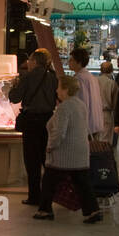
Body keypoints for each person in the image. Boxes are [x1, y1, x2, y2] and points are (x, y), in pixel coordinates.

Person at [34, 75, 102, 223]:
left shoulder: (64, 107)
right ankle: (93, 210)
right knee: (82, 182)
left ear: (65, 89)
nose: (56, 90)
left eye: (59, 87)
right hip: (81, 152)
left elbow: (60, 132)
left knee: (49, 181)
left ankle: (45, 210)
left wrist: (51, 146)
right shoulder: (80, 104)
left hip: (64, 154)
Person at [10, 48, 58, 205]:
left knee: (32, 160)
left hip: (31, 121)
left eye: (30, 60)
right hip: (48, 120)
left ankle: (34, 196)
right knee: (47, 158)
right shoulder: (53, 77)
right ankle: (50, 194)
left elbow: (15, 98)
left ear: (35, 62)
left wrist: (13, 85)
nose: (28, 63)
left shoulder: (27, 77)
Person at [66, 47, 103, 138]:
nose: (68, 62)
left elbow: (82, 103)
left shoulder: (79, 79)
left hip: (86, 126)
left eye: (71, 60)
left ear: (79, 62)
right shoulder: (90, 77)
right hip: (94, 122)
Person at [96, 60, 118, 141]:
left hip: (94, 113)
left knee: (95, 139)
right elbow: (115, 103)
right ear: (112, 70)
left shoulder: (94, 81)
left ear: (100, 70)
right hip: (106, 113)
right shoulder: (112, 84)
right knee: (105, 139)